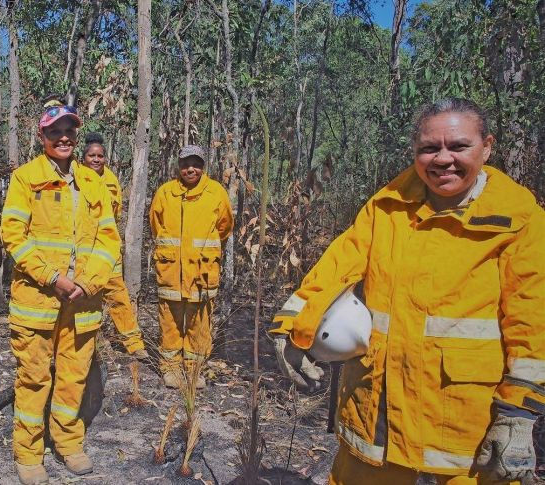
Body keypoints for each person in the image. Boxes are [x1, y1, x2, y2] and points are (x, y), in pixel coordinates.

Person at [272, 98, 545, 484]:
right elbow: (335, 270)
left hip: (467, 421)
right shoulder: (387, 207)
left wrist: (518, 414)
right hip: (376, 408)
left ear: (487, 147)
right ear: (415, 150)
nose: (443, 159)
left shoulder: (519, 220)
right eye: (429, 148)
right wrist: (293, 329)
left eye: (459, 146)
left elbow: (533, 323)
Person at [0, 99, 120, 485]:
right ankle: (28, 453)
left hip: (83, 301)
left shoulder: (93, 181)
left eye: (69, 131)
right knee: (34, 377)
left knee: (73, 375)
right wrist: (52, 277)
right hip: (38, 299)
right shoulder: (26, 178)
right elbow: (13, 235)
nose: (63, 138)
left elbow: (108, 240)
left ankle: (68, 443)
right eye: (55, 132)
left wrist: (88, 282)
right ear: (43, 135)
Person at [149, 145, 233, 389]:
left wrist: (204, 249)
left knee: (200, 322)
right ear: (179, 166)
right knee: (170, 320)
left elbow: (225, 227)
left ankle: (194, 370)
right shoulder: (165, 193)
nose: (190, 169)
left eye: (196, 164)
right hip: (171, 270)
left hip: (202, 271)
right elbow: (156, 225)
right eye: (185, 164)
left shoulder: (216, 192)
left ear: (203, 166)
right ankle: (171, 368)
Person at [81, 131, 149, 359]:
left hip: (108, 248)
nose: (96, 159)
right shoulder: (76, 176)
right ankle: (91, 340)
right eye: (91, 156)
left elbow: (116, 213)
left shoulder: (111, 180)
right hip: (84, 249)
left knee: (117, 294)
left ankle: (133, 343)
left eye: (100, 156)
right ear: (84, 157)